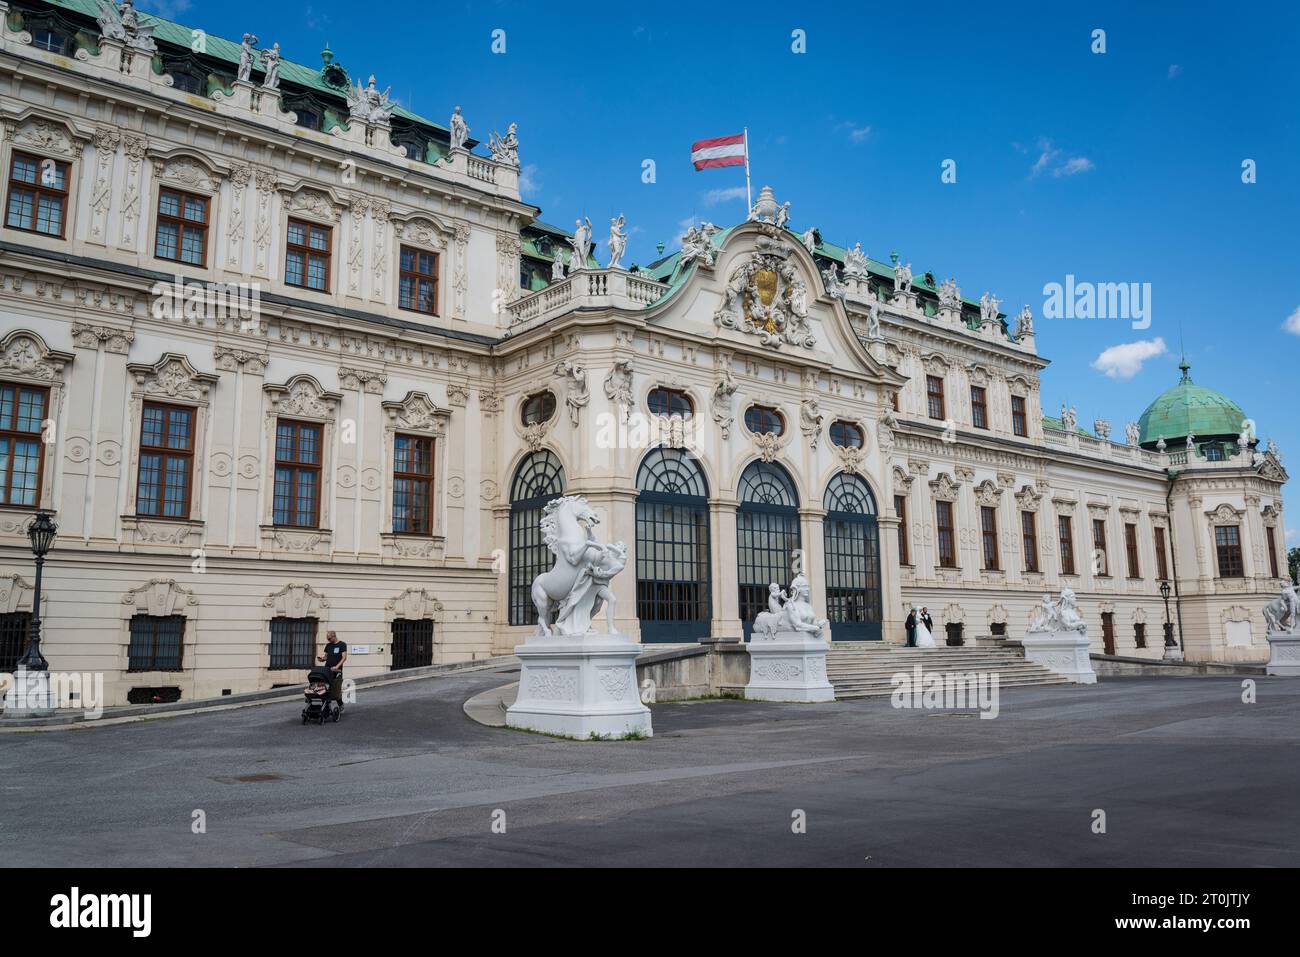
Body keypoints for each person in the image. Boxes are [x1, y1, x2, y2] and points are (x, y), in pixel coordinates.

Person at [318, 630, 348, 713]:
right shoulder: (328, 645)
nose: (328, 640)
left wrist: (337, 666)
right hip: (327, 670)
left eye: (329, 639)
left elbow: (344, 658)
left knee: (335, 689)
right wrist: (322, 659)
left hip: (337, 671)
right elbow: (326, 657)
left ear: (334, 636)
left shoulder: (342, 644)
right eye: (327, 639)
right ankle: (326, 707)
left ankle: (341, 705)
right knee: (325, 688)